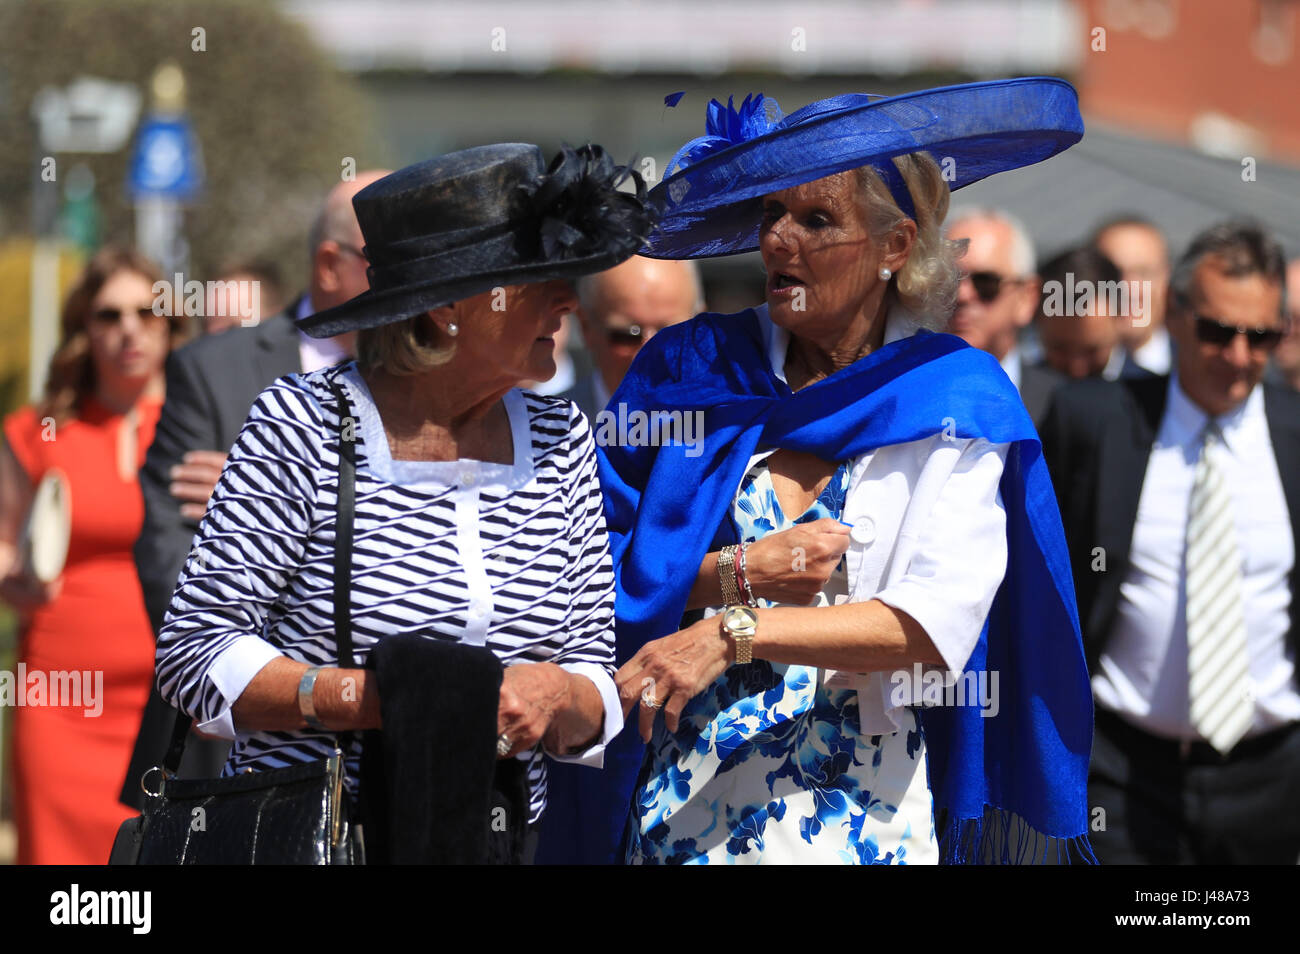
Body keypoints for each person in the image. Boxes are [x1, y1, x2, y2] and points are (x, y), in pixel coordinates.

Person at [545, 80, 1096, 865]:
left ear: (896, 246)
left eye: (816, 219)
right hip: (676, 810)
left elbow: (934, 626)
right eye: (771, 214)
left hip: (861, 826)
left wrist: (734, 634)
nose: (778, 241)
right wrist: (735, 572)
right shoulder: (688, 369)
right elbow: (580, 573)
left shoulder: (954, 397)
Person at [154, 143, 652, 860]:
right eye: (535, 280)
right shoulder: (306, 425)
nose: (568, 300)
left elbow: (593, 680)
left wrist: (556, 696)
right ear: (448, 306)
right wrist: (389, 704)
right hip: (317, 843)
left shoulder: (560, 435)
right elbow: (195, 655)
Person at [120, 171, 389, 808]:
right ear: (331, 263)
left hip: (381, 756)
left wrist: (272, 493)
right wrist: (271, 681)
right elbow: (165, 551)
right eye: (392, 259)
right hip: (224, 738)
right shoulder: (211, 370)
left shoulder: (439, 391)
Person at [1040, 220, 1300, 865]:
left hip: (1270, 780)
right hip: (1123, 772)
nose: (1238, 356)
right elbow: (1046, 580)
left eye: (1260, 336)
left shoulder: (1296, 435)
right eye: (1218, 331)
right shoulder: (1095, 418)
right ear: (1175, 314)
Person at [0, 246, 184, 863]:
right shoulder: (39, 430)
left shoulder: (208, 428)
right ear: (84, 329)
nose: (128, 328)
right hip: (59, 704)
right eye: (108, 316)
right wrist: (13, 576)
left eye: (145, 311)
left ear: (171, 323)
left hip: (173, 704)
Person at [944, 207, 1062, 426]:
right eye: (949, 279)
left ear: (1026, 297)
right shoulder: (902, 393)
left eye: (985, 282)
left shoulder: (1060, 403)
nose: (962, 295)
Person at [558, 256, 702, 421]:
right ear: (586, 327)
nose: (651, 356)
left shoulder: (730, 429)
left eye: (672, 335)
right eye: (628, 335)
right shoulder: (545, 431)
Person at [1038, 246, 1154, 381]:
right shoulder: (1018, 395)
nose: (1077, 369)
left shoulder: (1154, 397)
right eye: (1060, 349)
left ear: (1122, 316)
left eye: (1092, 351)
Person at [1093, 215, 1173, 375]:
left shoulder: (1202, 370)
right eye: (1114, 275)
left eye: (1144, 273)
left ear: (1166, 278)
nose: (1129, 289)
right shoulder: (1054, 377)